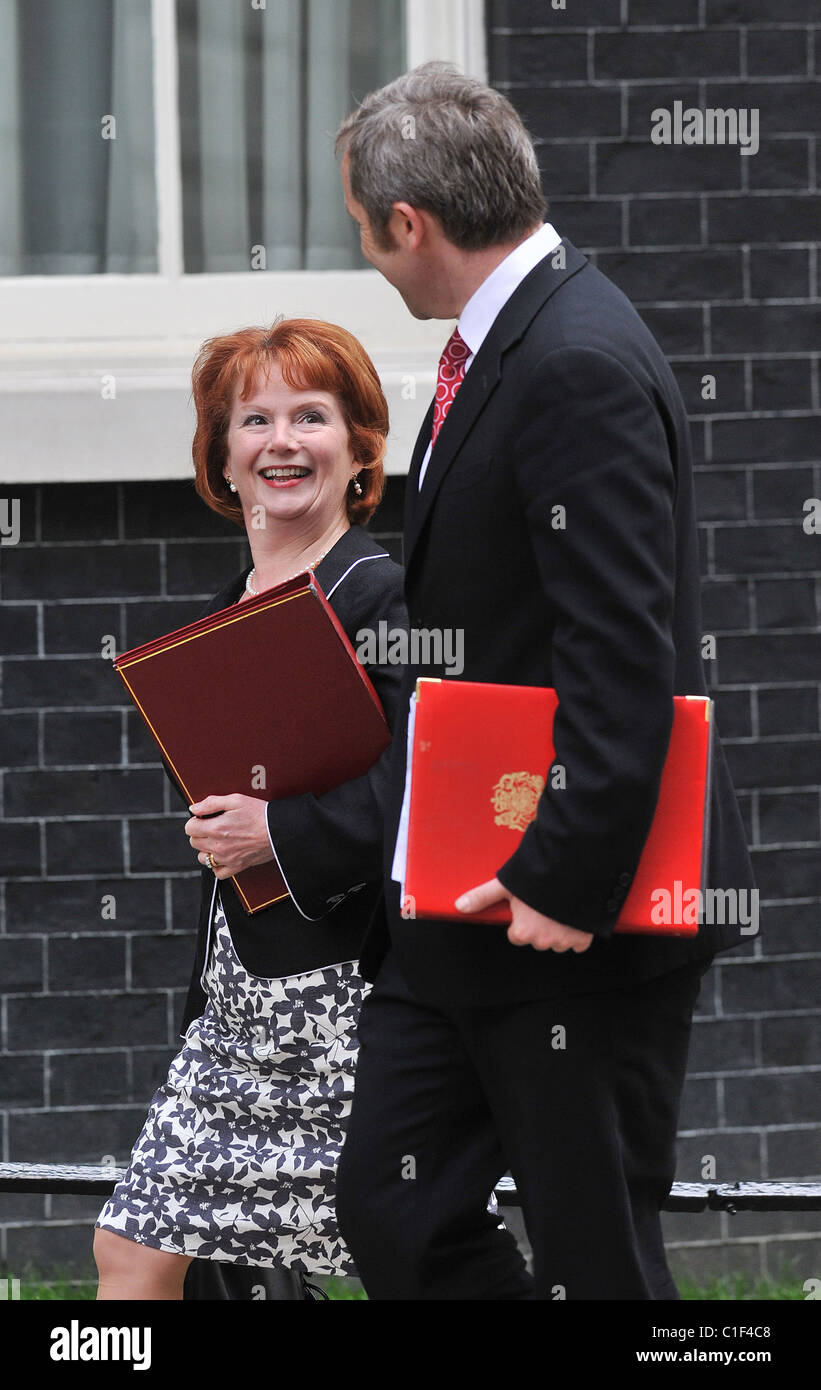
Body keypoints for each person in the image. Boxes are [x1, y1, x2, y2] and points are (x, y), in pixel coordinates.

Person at [333, 63, 757, 1300]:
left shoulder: (570, 356)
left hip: (571, 906)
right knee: (391, 1208)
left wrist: (566, 872)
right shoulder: (508, 339)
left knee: (593, 1260)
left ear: (409, 223)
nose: (367, 255)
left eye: (363, 230)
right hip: (460, 904)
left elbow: (621, 649)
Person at [93, 318, 407, 1299]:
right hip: (232, 1019)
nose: (281, 440)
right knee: (132, 1248)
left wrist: (276, 831)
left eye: (311, 415)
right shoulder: (225, 614)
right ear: (220, 456)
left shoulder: (386, 601)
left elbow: (416, 795)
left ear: (359, 447)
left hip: (345, 1016)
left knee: (403, 1258)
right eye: (254, 418)